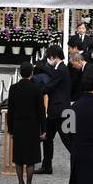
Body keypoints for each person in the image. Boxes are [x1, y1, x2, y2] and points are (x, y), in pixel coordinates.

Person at [0, 61, 47, 184]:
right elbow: (41, 111)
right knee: (31, 157)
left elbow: (11, 110)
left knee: (18, 156)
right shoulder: (36, 88)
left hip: (18, 124)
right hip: (32, 125)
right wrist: (44, 129)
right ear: (31, 73)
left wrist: (10, 128)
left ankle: (20, 183)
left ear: (20, 73)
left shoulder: (14, 88)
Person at [37, 45, 71, 175]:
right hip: (59, 110)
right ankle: (46, 166)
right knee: (47, 138)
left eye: (48, 57)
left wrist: (34, 92)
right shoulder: (60, 68)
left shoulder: (61, 70)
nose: (48, 60)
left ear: (53, 57)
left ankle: (83, 164)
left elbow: (49, 87)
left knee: (69, 141)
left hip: (60, 112)